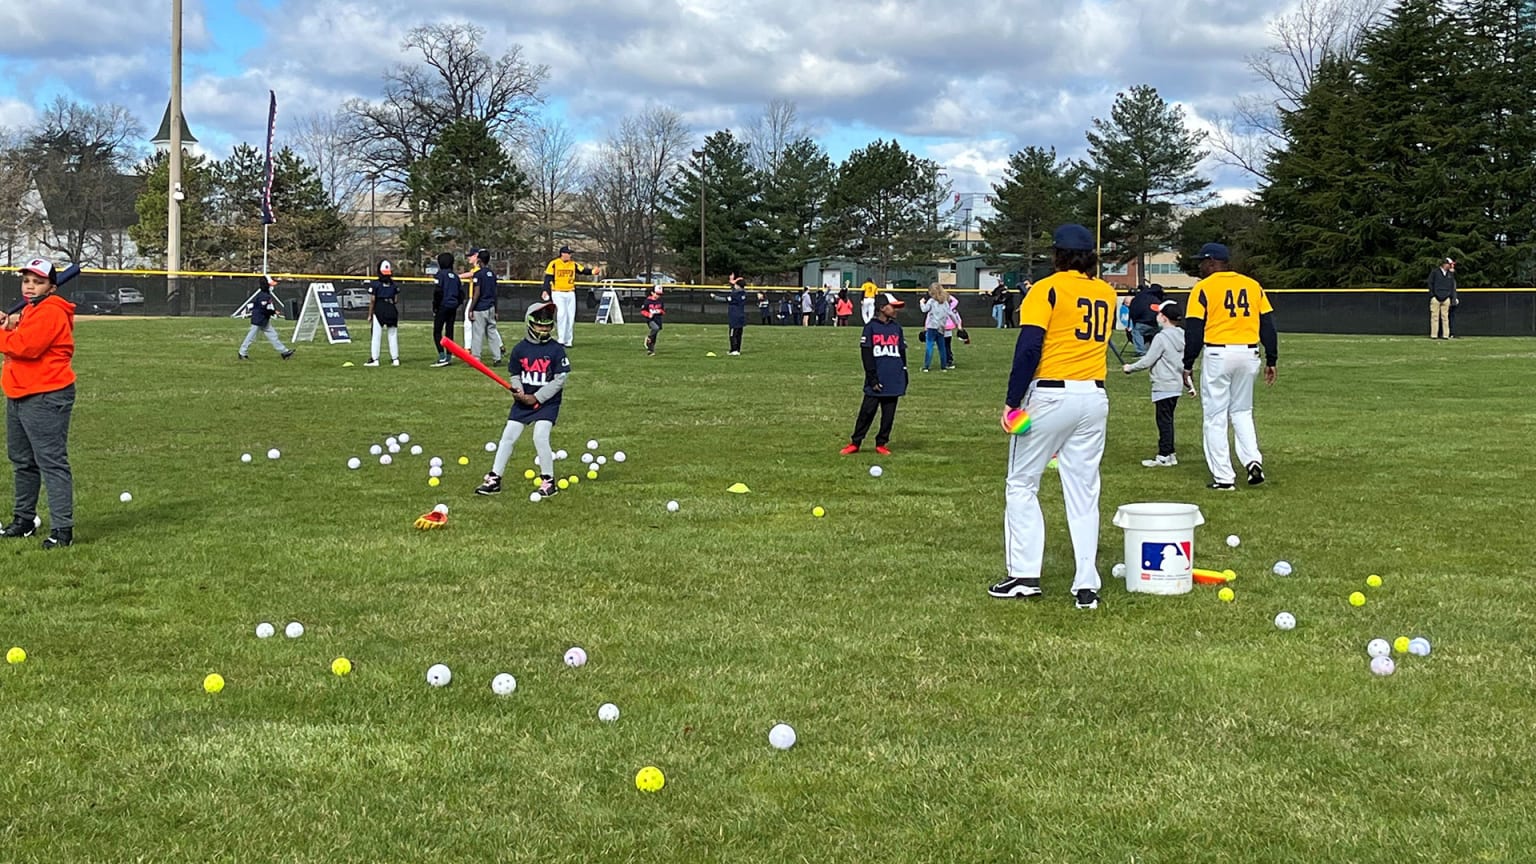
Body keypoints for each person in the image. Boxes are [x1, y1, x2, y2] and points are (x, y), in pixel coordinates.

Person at [989, 224, 1115, 610]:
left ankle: (1025, 576)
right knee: (1083, 491)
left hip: (1051, 394)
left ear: (1057, 254)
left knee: (1022, 483)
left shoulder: (1047, 288)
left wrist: (1012, 401)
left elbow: (1029, 347)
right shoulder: (1107, 292)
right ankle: (1086, 584)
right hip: (1094, 395)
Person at [1181, 242, 1278, 491]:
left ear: (1213, 262)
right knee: (1242, 412)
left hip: (1219, 352)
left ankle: (1224, 477)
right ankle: (1252, 460)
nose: (1200, 266)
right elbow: (1267, 323)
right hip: (1248, 352)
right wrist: (1272, 359)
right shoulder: (1252, 285)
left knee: (1215, 417)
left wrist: (1187, 363)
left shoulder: (1203, 288)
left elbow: (1194, 329)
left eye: (1203, 262)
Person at [0, 258, 78, 549]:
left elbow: (26, 348)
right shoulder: (32, 311)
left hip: (46, 395)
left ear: (51, 287)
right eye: (26, 281)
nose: (30, 286)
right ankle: (23, 520)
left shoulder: (51, 312)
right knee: (22, 461)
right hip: (20, 392)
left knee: (51, 463)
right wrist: (8, 325)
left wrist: (3, 333)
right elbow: (18, 338)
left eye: (38, 282)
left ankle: (62, 530)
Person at [475, 301, 569, 498]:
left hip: (547, 402)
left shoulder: (556, 350)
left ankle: (548, 481)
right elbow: (515, 373)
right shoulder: (520, 349)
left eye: (547, 324)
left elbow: (560, 379)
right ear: (530, 323)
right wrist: (518, 390)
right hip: (522, 402)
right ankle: (494, 478)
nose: (543, 328)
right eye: (539, 324)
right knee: (507, 437)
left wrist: (536, 397)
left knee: (540, 437)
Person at [1122, 300, 1189, 467]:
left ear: (1164, 318)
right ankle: (1170, 453)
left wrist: (1130, 368)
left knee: (1164, 421)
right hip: (1176, 383)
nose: (1157, 316)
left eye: (1159, 314)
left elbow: (1148, 360)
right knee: (1167, 419)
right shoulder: (1182, 335)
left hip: (1163, 384)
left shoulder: (1161, 338)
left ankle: (1164, 454)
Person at [839, 292, 907, 456]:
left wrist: (904, 373)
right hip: (876, 378)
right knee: (867, 412)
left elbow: (901, 353)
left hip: (893, 378)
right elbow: (867, 355)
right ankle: (856, 442)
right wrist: (872, 378)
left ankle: (882, 442)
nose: (896, 310)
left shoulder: (896, 328)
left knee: (888, 415)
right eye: (893, 307)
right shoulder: (870, 327)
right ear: (882, 308)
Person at [541, 245, 594, 347]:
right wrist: (545, 290)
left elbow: (583, 271)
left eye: (570, 253)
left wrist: (592, 271)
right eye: (568, 253)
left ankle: (568, 341)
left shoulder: (573, 264)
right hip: (558, 292)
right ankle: (561, 339)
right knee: (562, 314)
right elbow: (548, 278)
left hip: (570, 292)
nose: (570, 255)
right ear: (562, 254)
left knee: (570, 316)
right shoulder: (554, 264)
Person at [238, 275, 294, 360]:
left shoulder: (265, 294)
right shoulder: (264, 296)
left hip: (263, 320)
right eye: (270, 285)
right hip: (259, 320)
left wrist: (272, 312)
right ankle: (242, 352)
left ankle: (284, 352)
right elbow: (263, 309)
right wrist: (273, 312)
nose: (272, 287)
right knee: (251, 337)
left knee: (273, 335)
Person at [464, 248, 504, 363]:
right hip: (491, 306)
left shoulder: (478, 274)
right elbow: (495, 293)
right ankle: (497, 357)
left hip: (480, 307)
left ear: (479, 260)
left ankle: (476, 358)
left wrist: (471, 309)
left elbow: (477, 293)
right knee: (491, 332)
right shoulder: (492, 274)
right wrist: (496, 310)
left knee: (477, 333)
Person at [364, 261, 401, 366]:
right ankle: (395, 359)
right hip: (391, 308)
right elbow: (396, 300)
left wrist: (370, 314)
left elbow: (372, 300)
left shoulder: (375, 284)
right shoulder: (394, 284)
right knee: (393, 335)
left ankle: (375, 359)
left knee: (376, 336)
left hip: (380, 308)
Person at [430, 252, 463, 366]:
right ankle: (449, 356)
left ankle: (442, 356)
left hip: (443, 306)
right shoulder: (455, 277)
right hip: (452, 306)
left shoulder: (440, 275)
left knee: (437, 331)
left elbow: (438, 291)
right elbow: (461, 294)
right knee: (449, 331)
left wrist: (435, 306)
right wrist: (457, 303)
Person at [918, 284, 954, 372]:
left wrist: (921, 303)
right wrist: (957, 324)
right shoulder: (945, 302)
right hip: (941, 327)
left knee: (929, 347)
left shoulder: (931, 301)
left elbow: (924, 310)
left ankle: (926, 366)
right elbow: (950, 313)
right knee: (942, 348)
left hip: (932, 327)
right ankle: (943, 366)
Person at [1127, 283, 1164, 355]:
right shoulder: (1157, 299)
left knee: (1136, 331)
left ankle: (1141, 351)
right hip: (1156, 323)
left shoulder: (1139, 298)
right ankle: (1157, 350)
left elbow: (1133, 312)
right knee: (1153, 333)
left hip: (1143, 322)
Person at [1428, 257, 1457, 339]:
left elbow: (1452, 286)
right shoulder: (1435, 272)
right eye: (1449, 264)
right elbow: (1430, 284)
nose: (1451, 266)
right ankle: (1434, 335)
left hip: (1446, 298)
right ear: (1444, 264)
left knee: (1445, 317)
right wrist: (1432, 295)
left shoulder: (1450, 274)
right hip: (1435, 298)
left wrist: (1451, 298)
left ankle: (1445, 335)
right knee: (1434, 317)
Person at [726, 273, 747, 355]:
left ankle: (734, 349)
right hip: (741, 316)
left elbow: (727, 299)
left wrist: (715, 297)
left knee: (733, 334)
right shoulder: (743, 293)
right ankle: (737, 349)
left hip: (734, 316)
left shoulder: (735, 294)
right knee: (739, 334)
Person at [641, 286, 665, 355]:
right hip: (651, 320)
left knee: (655, 335)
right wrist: (648, 314)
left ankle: (651, 350)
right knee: (655, 328)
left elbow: (663, 311)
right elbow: (643, 311)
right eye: (657, 294)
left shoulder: (660, 301)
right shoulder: (647, 301)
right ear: (652, 293)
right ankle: (648, 338)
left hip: (658, 319)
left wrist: (659, 311)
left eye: (660, 294)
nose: (658, 296)